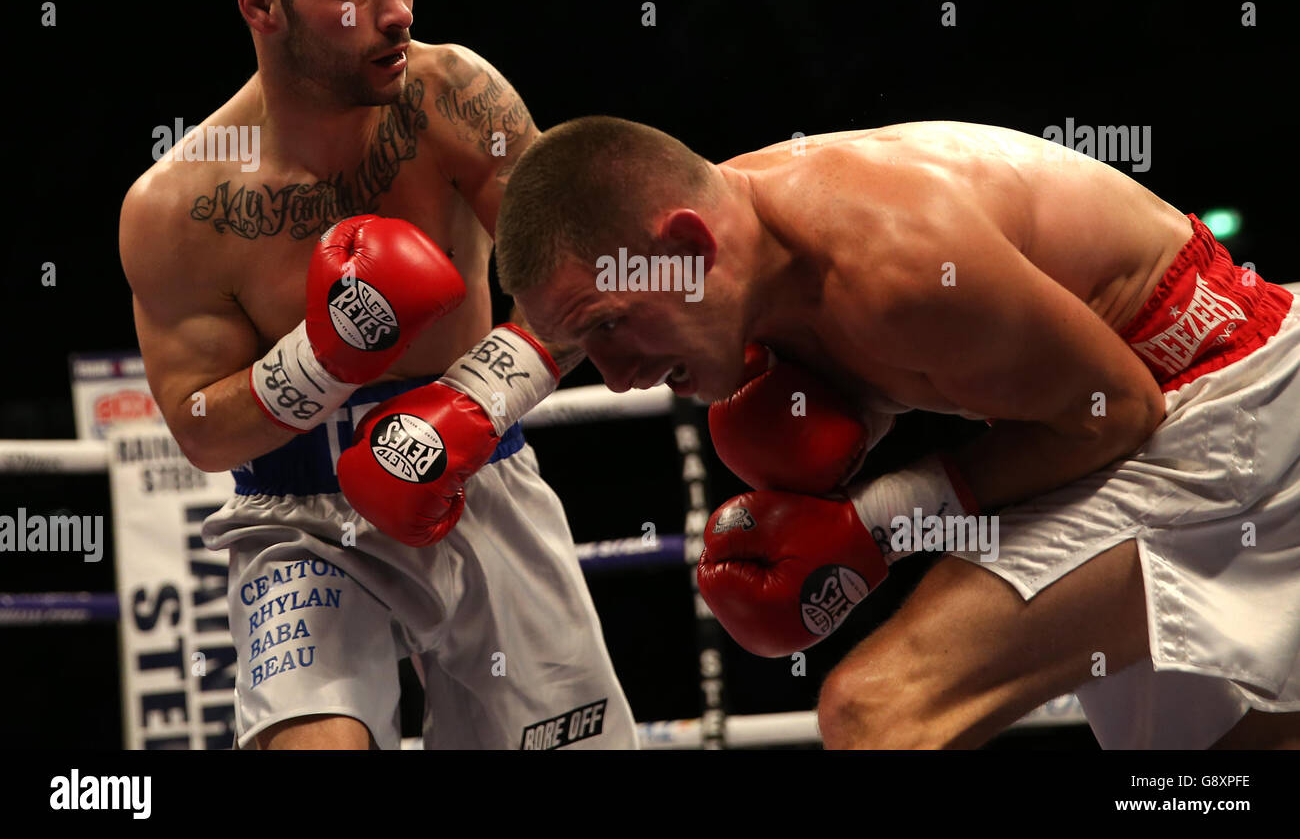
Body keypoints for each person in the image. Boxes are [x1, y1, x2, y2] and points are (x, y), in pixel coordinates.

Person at [495, 115, 1300, 749]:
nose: (618, 373)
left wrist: (874, 523)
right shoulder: (736, 228)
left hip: (1212, 399)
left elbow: (1117, 412)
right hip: (1166, 399)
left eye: (609, 328)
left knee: (879, 713)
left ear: (686, 247)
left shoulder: (894, 268)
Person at [118, 0, 636, 750]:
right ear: (261, 6)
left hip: (481, 479)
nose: (397, 9)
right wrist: (326, 352)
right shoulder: (179, 207)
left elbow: (589, 278)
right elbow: (201, 428)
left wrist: (466, 407)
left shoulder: (457, 100)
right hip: (299, 513)